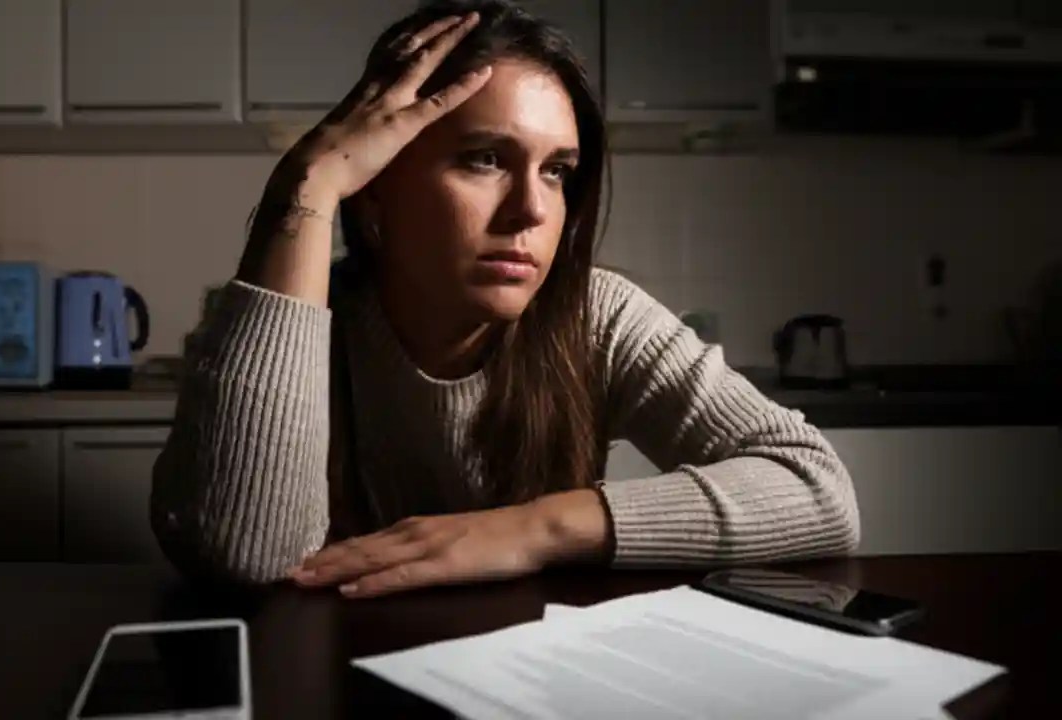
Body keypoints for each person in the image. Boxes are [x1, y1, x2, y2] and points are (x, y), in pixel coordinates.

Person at [150, 0, 860, 599]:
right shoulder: (304, 325)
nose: (531, 210)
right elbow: (242, 556)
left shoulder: (594, 315)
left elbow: (818, 489)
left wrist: (535, 528)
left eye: (556, 172)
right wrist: (305, 186)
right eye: (484, 158)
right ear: (373, 189)